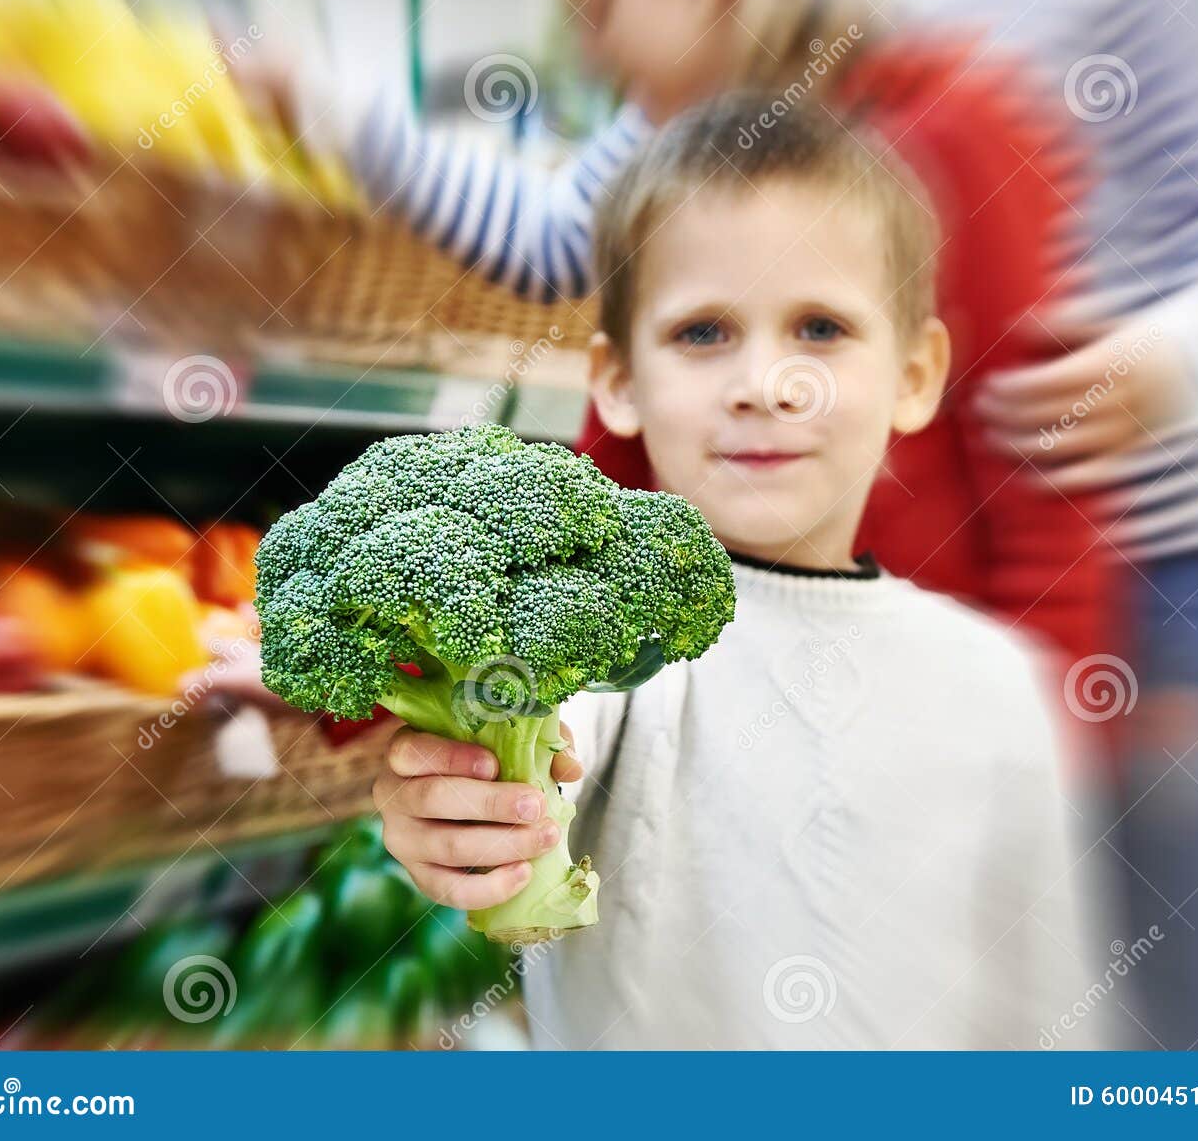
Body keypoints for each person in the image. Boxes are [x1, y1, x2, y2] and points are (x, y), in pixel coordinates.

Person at [372, 95, 1103, 1050]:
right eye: (704, 333)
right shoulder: (606, 661)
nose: (767, 384)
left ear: (917, 375)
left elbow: (1049, 1013)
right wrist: (464, 820)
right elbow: (531, 767)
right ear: (619, 382)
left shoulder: (1001, 683)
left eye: (822, 329)